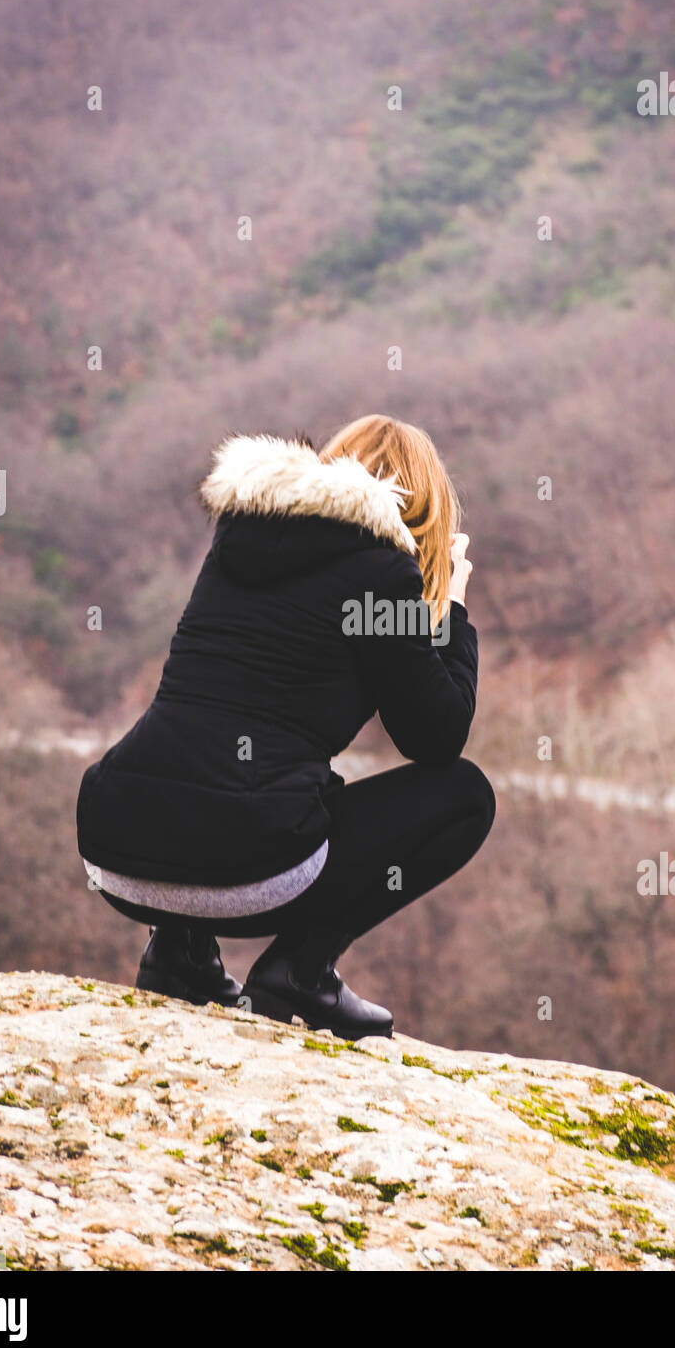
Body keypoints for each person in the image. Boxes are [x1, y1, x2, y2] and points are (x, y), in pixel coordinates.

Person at [75, 414, 495, 1040]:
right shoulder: (385, 576)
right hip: (246, 872)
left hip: (116, 845)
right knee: (465, 796)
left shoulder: (239, 538)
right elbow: (437, 738)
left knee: (245, 762)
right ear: (419, 512)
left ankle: (180, 953)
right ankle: (301, 969)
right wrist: (453, 610)